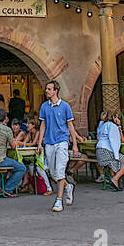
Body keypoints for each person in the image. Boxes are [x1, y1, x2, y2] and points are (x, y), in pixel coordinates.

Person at [38, 80, 80, 212]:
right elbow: (43, 125)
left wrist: (74, 144)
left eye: (49, 89)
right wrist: (40, 143)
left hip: (62, 142)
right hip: (49, 142)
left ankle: (59, 200)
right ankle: (68, 187)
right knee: (53, 173)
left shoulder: (65, 106)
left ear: (55, 91)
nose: (47, 91)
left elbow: (70, 126)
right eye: (46, 89)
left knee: (60, 171)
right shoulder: (44, 106)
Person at [0, 107, 26, 196]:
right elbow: (13, 146)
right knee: (22, 168)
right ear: (5, 118)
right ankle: (8, 188)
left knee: (6, 165)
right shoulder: (7, 129)